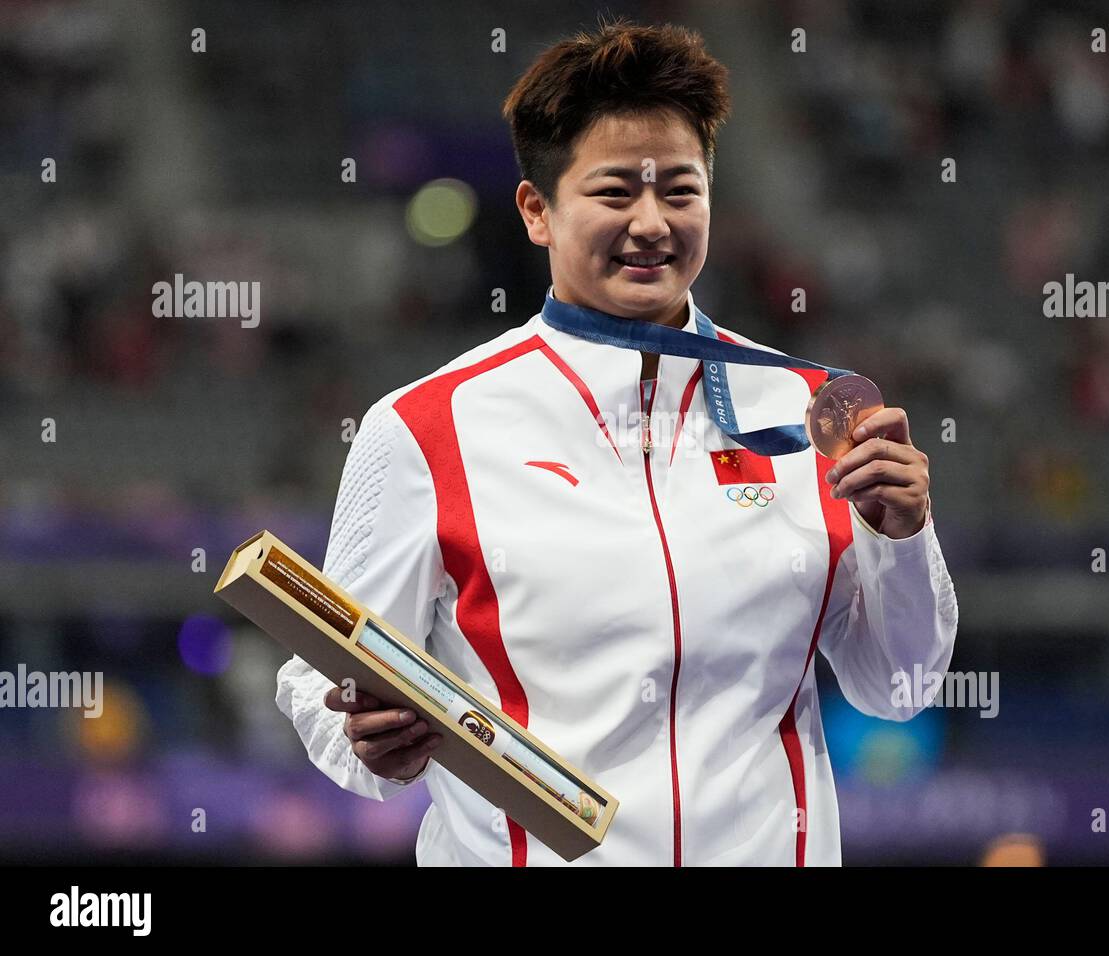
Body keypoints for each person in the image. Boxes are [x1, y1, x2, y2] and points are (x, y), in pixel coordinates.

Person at [276, 18, 958, 866]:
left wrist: (904, 541)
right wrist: (364, 739)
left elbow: (899, 687)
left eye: (679, 190)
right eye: (613, 193)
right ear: (537, 210)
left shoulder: (811, 408)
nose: (650, 223)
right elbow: (324, 677)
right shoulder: (424, 427)